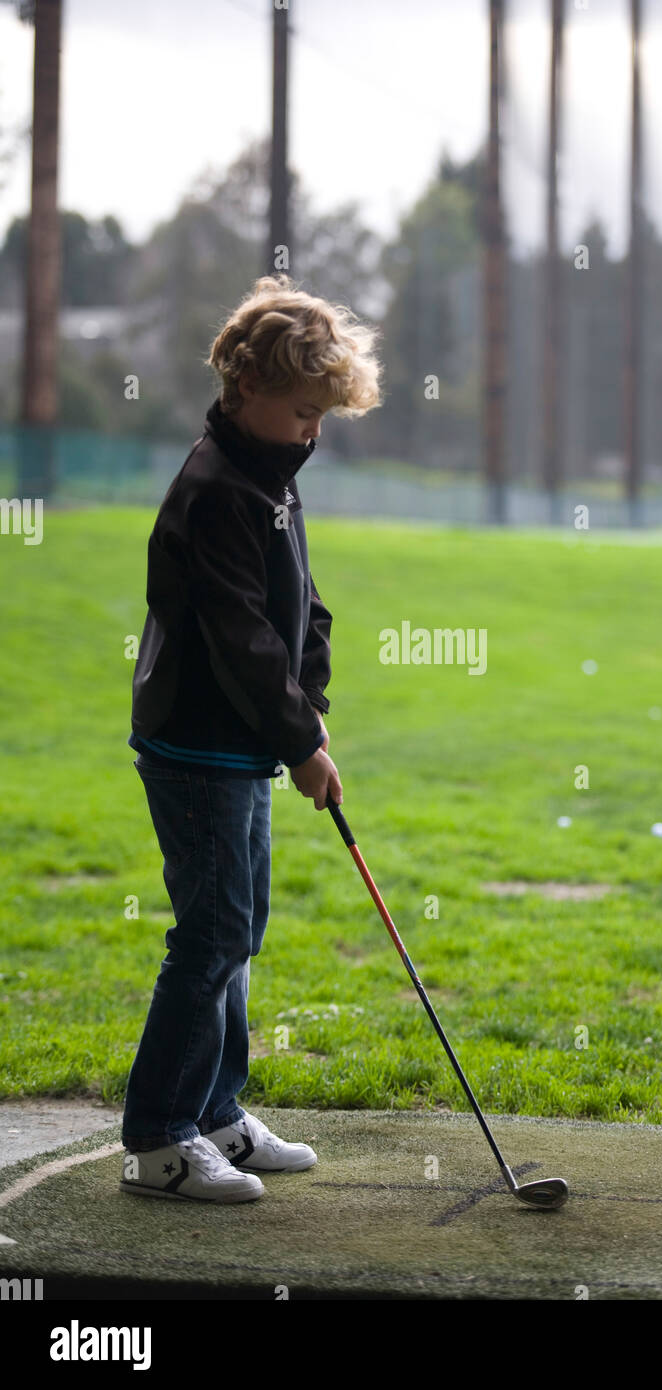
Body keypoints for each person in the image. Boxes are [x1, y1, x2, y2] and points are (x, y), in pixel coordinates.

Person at [120, 274, 382, 1202]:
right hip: (198, 747)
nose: (312, 432)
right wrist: (301, 741)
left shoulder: (268, 475)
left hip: (241, 746)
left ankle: (218, 1113)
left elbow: (297, 605)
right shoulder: (217, 489)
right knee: (213, 934)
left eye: (322, 417)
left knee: (239, 931)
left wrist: (307, 710)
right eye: (302, 411)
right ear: (244, 390)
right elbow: (238, 636)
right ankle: (158, 1136)